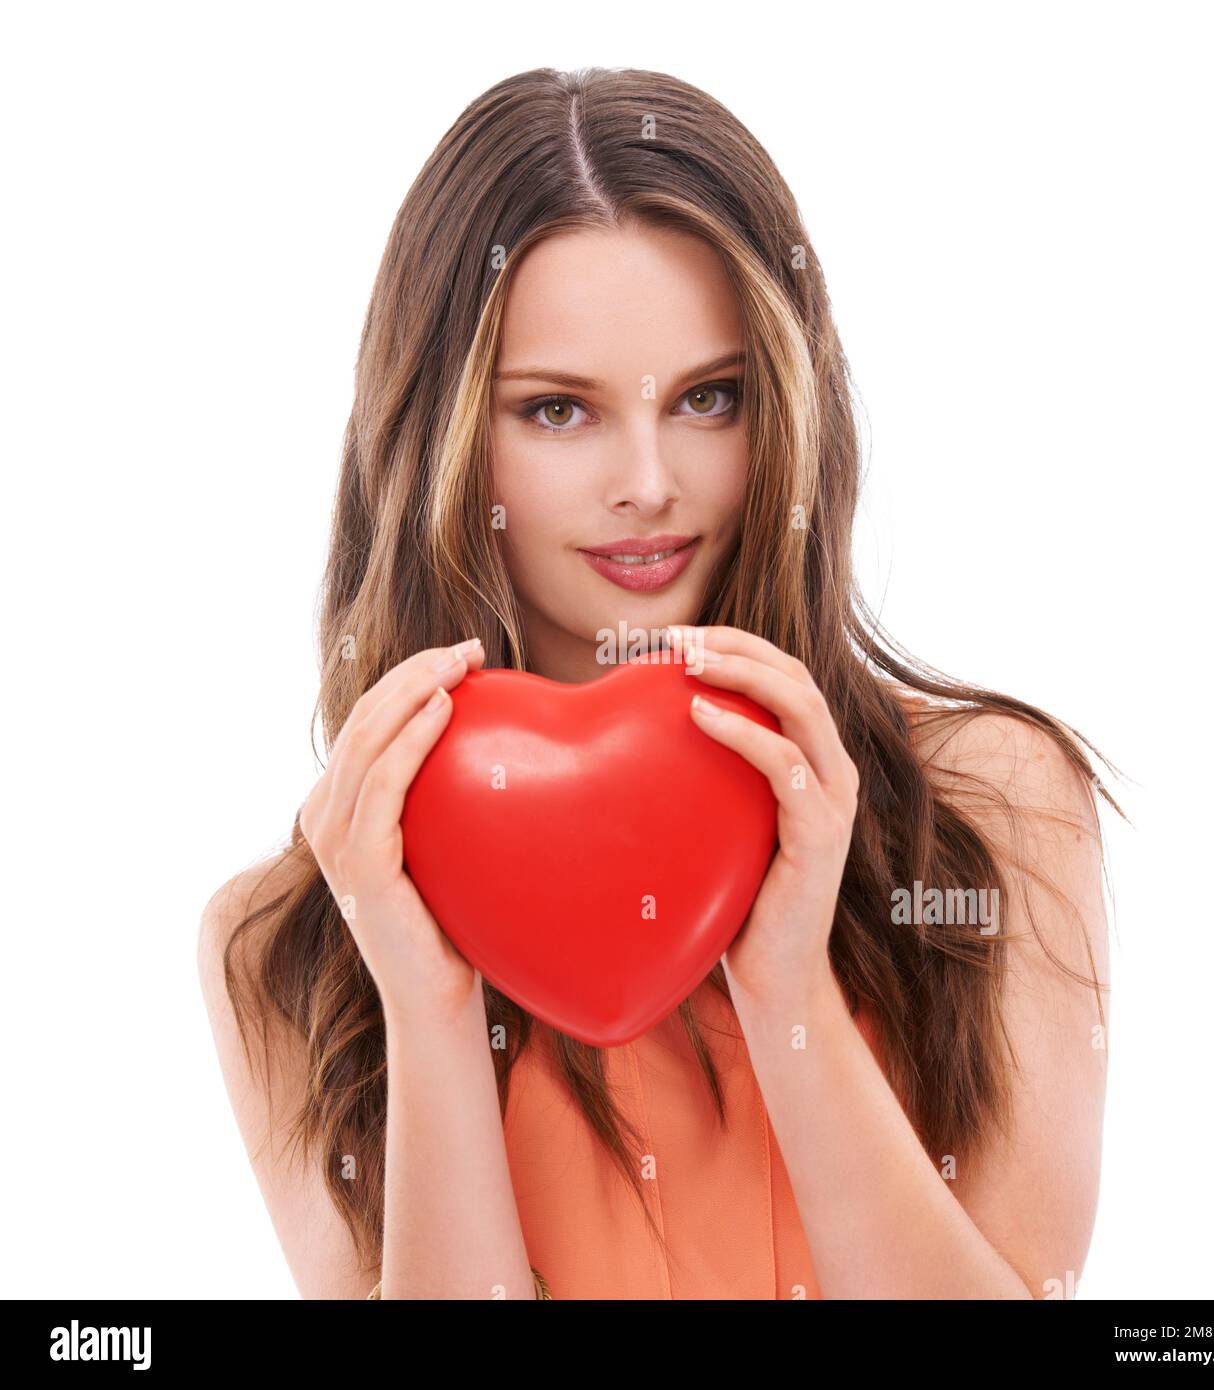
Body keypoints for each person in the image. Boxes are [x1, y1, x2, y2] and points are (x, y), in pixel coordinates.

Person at [198, 65, 1118, 1300]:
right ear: (447, 437)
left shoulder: (990, 811)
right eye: (559, 411)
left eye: (708, 397)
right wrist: (427, 1008)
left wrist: (785, 988)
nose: (648, 480)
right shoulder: (290, 943)